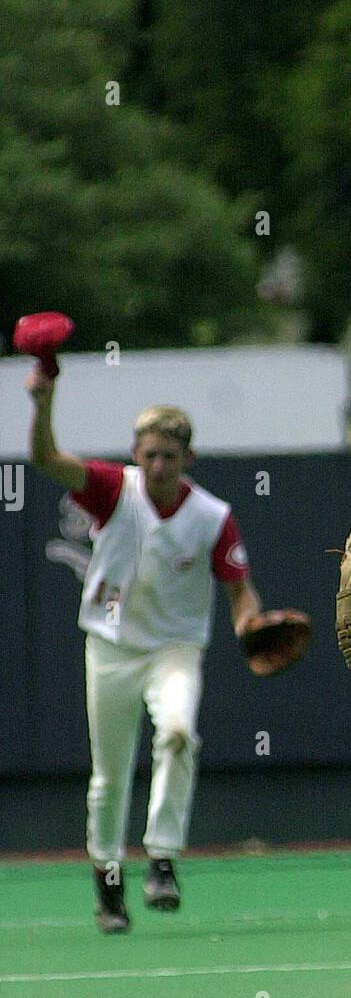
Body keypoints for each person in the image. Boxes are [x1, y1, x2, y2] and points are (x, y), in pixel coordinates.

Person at [27, 373, 263, 933]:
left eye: (170, 456)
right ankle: (108, 883)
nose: (159, 466)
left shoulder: (211, 515)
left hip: (175, 650)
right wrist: (43, 401)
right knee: (109, 775)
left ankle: (161, 859)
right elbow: (45, 459)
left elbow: (238, 588)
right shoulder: (112, 488)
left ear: (189, 457)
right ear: (136, 454)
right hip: (110, 647)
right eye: (150, 454)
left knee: (178, 732)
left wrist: (252, 623)